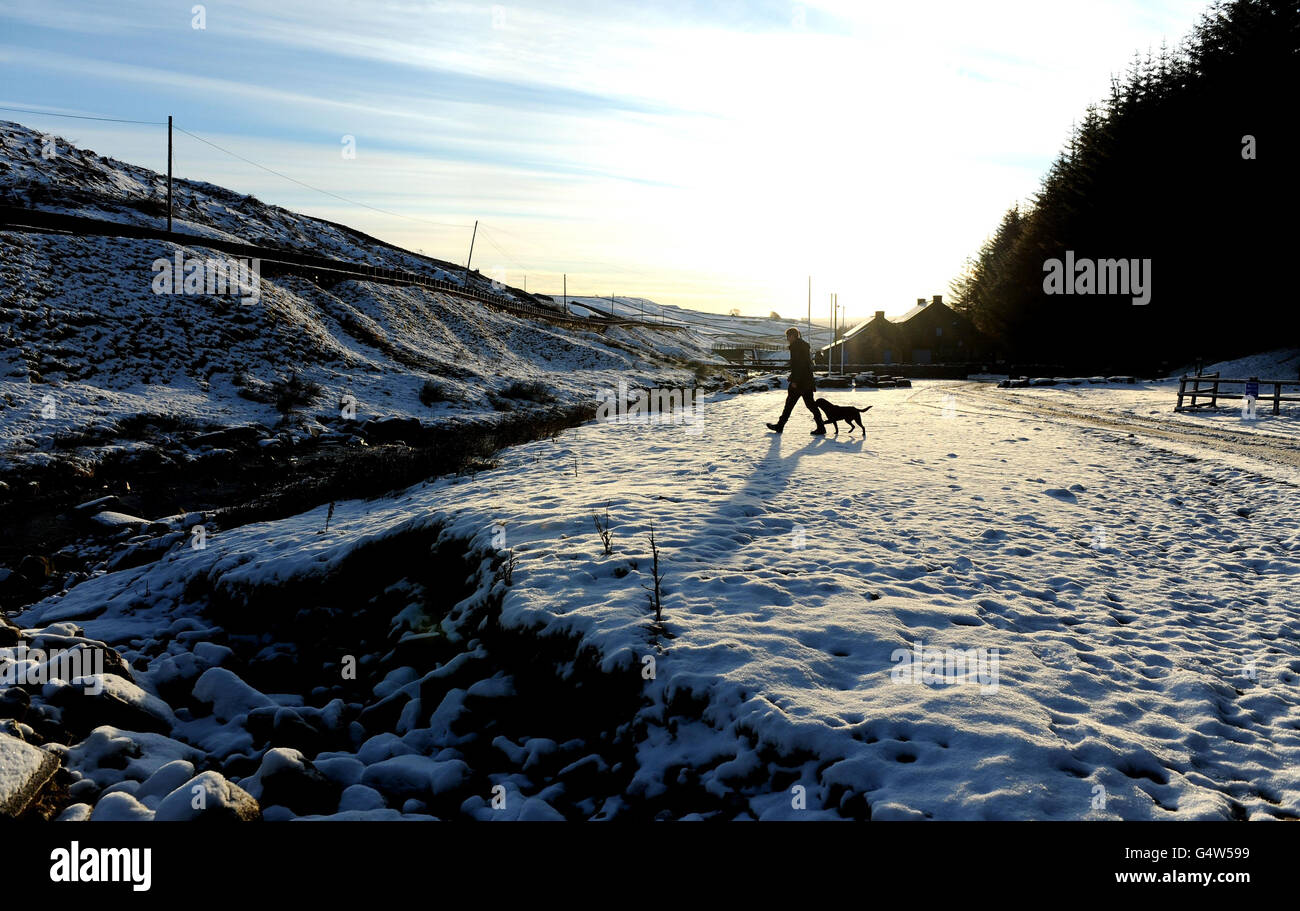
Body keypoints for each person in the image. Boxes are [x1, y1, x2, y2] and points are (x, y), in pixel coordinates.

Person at [767, 327, 827, 435]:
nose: (787, 339)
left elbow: (799, 365)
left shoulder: (796, 347)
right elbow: (803, 364)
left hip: (800, 382)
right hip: (806, 381)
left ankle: (780, 426)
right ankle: (821, 427)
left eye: (788, 336)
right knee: (810, 404)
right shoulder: (802, 346)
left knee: (790, 404)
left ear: (793, 336)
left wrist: (795, 380)